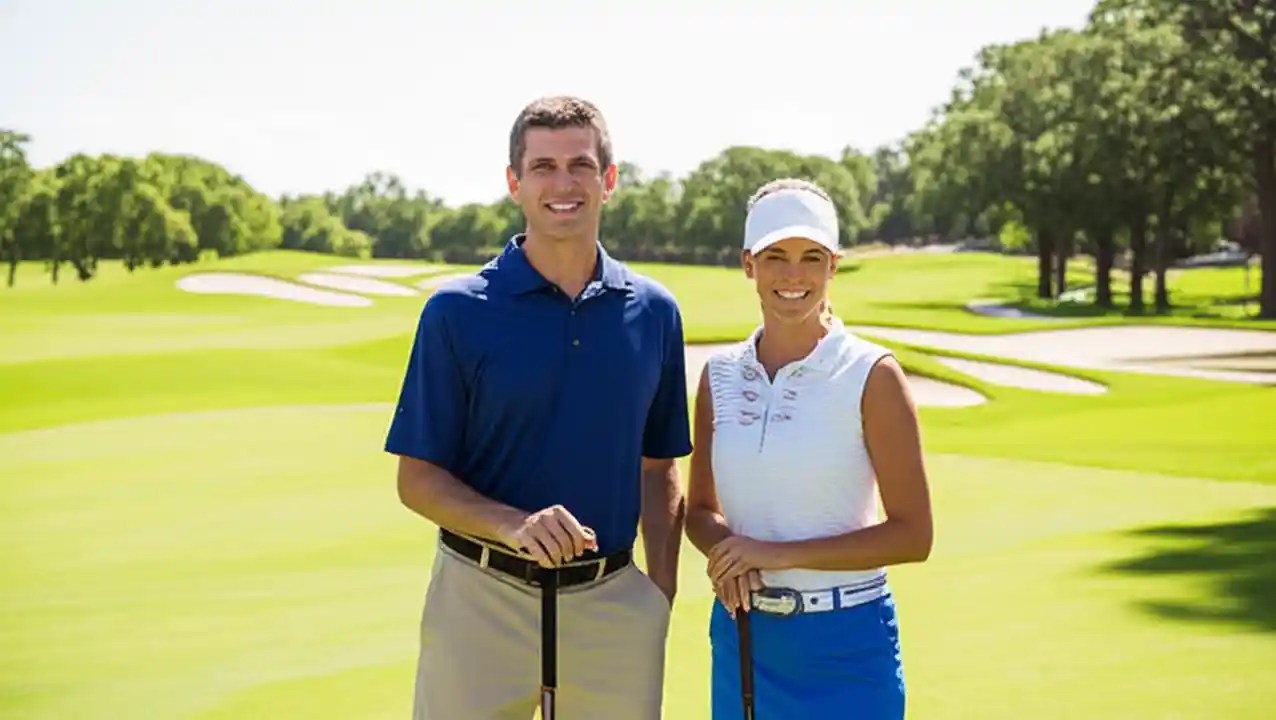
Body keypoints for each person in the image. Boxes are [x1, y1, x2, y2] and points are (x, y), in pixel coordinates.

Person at [384, 95, 692, 720]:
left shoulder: (654, 312)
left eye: (580, 165)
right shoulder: (457, 312)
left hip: (612, 605)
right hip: (480, 597)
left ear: (609, 180)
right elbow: (416, 480)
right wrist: (512, 525)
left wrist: (658, 594)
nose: (563, 183)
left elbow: (660, 469)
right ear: (514, 183)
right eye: (543, 166)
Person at [685, 178, 934, 719]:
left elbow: (914, 535)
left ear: (833, 265)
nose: (793, 275)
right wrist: (728, 556)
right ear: (748, 263)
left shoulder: (872, 375)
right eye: (776, 256)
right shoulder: (720, 376)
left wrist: (775, 555)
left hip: (847, 644)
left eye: (810, 257)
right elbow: (700, 512)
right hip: (744, 637)